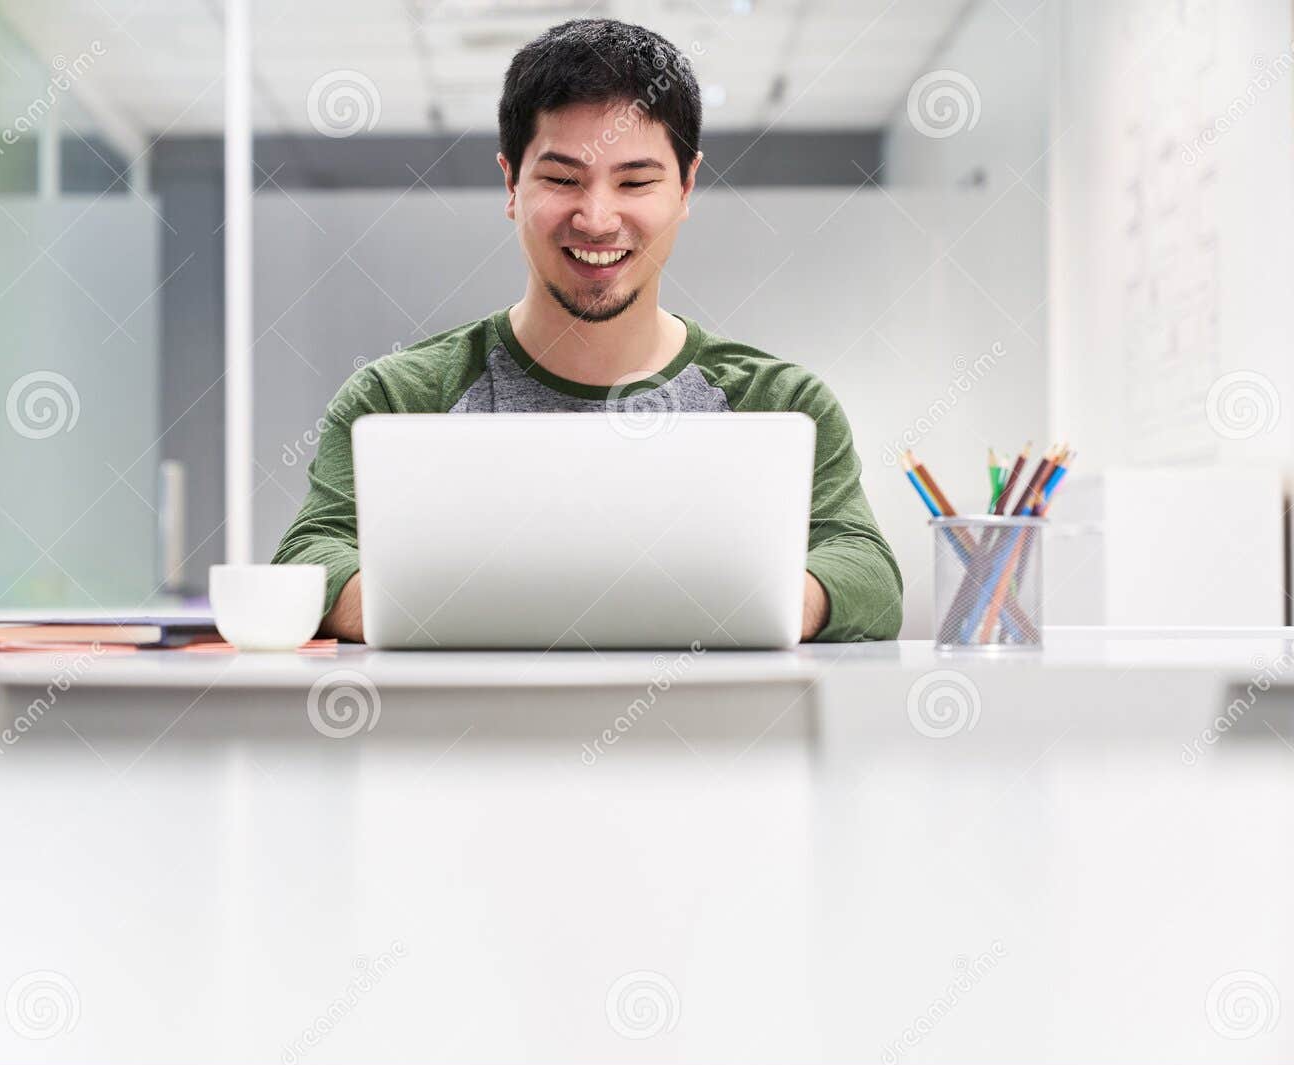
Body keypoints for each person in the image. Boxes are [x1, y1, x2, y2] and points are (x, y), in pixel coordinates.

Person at [273, 18, 902, 643]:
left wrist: (760, 603)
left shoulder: (781, 403)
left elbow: (867, 573)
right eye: (562, 179)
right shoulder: (397, 400)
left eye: (635, 181)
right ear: (511, 185)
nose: (597, 218)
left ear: (685, 186)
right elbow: (309, 557)